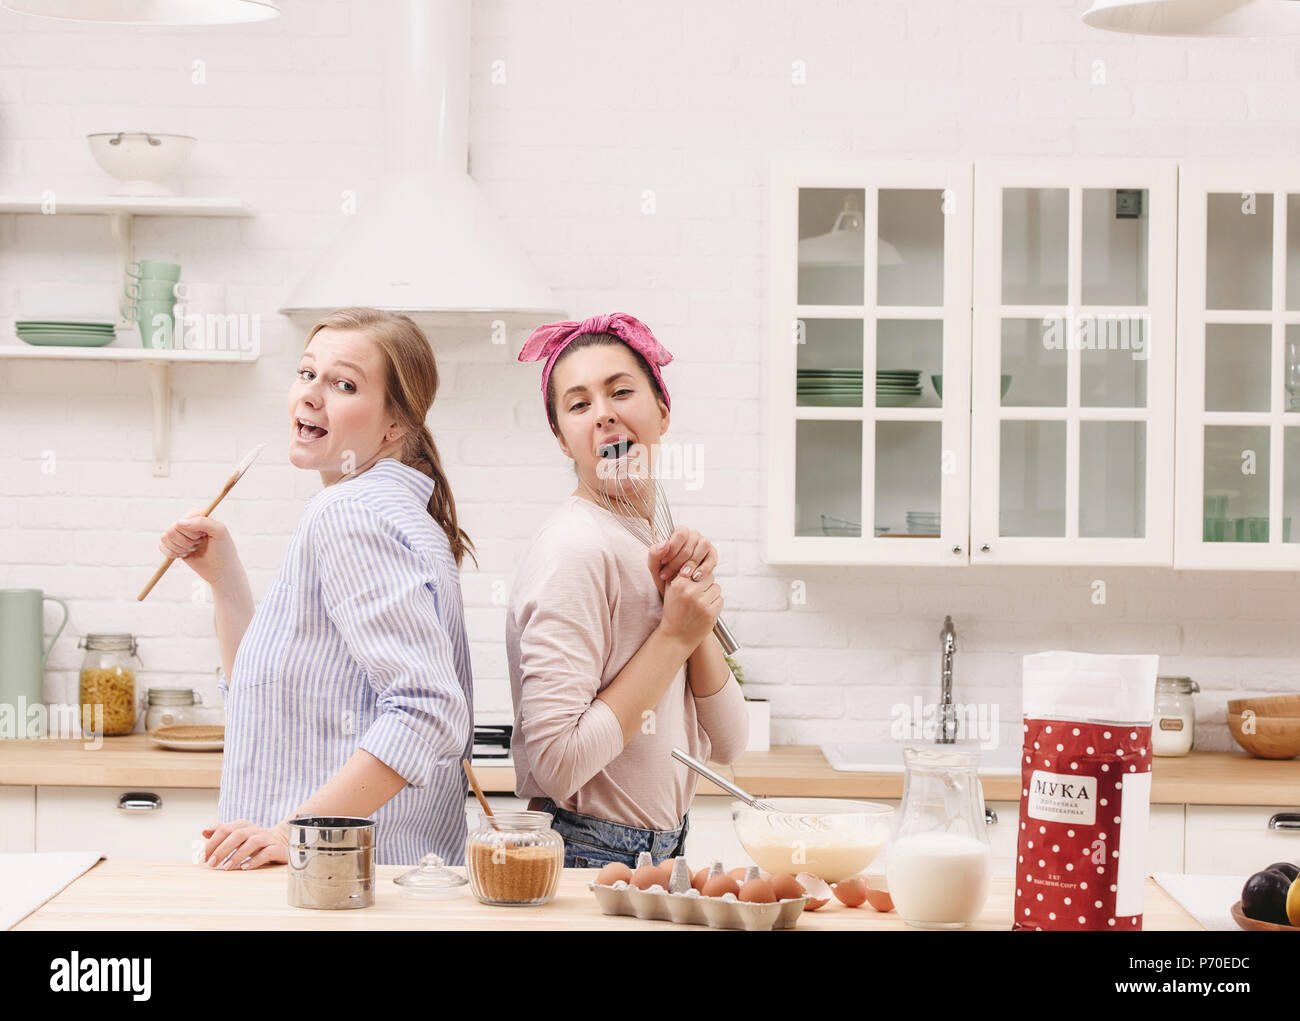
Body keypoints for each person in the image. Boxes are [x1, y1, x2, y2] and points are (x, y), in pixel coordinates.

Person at [158, 307, 474, 869]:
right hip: (369, 881)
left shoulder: (350, 512)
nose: (310, 395)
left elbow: (426, 711)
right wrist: (226, 582)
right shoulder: (396, 511)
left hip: (333, 885)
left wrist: (293, 834)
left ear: (395, 424)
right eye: (306, 374)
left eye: (344, 384)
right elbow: (276, 707)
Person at [507, 312, 748, 868]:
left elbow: (731, 743)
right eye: (579, 404)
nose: (605, 414)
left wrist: (691, 618)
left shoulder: (649, 537)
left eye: (620, 391)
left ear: (662, 410)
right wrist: (671, 636)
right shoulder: (576, 549)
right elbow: (557, 765)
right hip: (589, 853)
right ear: (563, 439)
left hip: (663, 851)